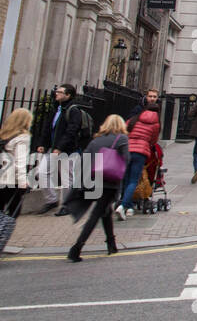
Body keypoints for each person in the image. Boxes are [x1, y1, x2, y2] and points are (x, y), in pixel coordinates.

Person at [67, 115, 129, 262]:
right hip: (108, 183)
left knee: (105, 211)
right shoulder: (121, 139)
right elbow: (127, 159)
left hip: (92, 181)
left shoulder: (96, 140)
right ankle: (76, 248)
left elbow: (85, 160)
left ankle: (111, 244)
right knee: (95, 215)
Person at [30, 84, 92, 215]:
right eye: (57, 91)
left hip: (67, 150)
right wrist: (42, 143)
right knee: (41, 173)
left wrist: (60, 147)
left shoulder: (73, 111)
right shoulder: (55, 109)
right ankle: (52, 200)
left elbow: (71, 131)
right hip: (52, 149)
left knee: (66, 178)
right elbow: (47, 128)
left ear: (68, 95)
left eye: (60, 92)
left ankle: (67, 205)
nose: (56, 94)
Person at [117, 90, 161, 218]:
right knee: (133, 180)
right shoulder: (155, 123)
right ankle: (124, 205)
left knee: (125, 178)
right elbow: (153, 140)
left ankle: (129, 206)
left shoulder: (134, 119)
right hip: (140, 152)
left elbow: (124, 132)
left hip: (127, 150)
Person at [0, 108, 34, 219]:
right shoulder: (23, 137)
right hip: (10, 179)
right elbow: (20, 162)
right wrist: (23, 182)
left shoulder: (3, 134)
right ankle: (3, 234)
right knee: (13, 211)